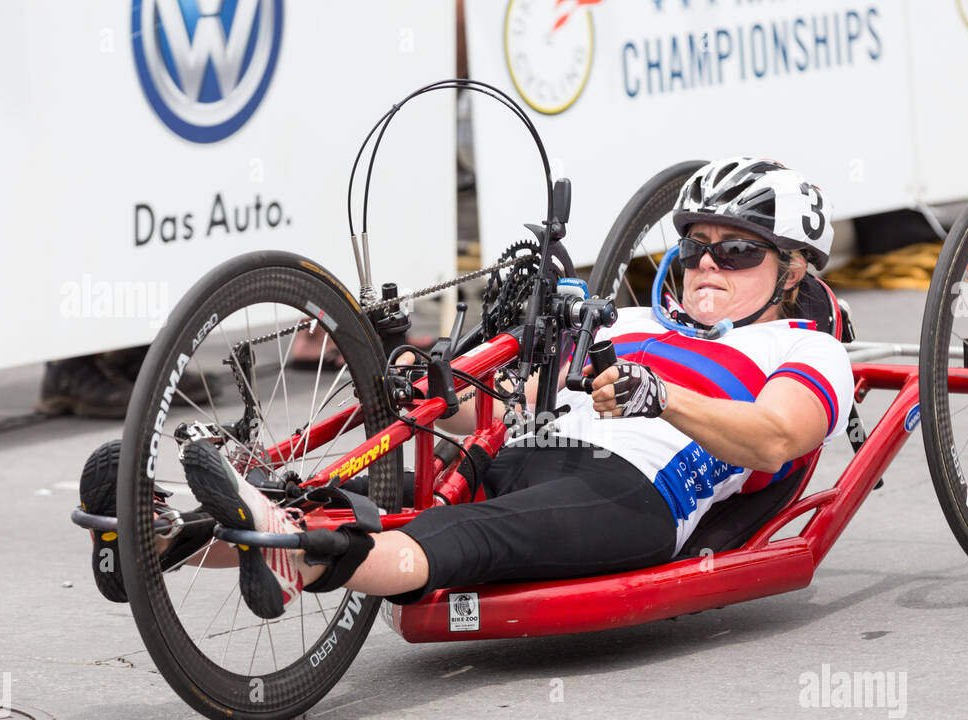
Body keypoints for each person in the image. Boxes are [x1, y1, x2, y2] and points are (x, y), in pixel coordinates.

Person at [80, 157, 856, 619]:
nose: (709, 265)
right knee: (353, 501)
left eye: (739, 252)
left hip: (637, 492)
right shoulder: (627, 321)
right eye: (695, 247)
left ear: (793, 272)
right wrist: (435, 377)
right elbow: (512, 392)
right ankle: (155, 539)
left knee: (461, 541)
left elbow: (778, 437)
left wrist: (664, 397)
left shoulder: (805, 350)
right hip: (531, 452)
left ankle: (288, 556)